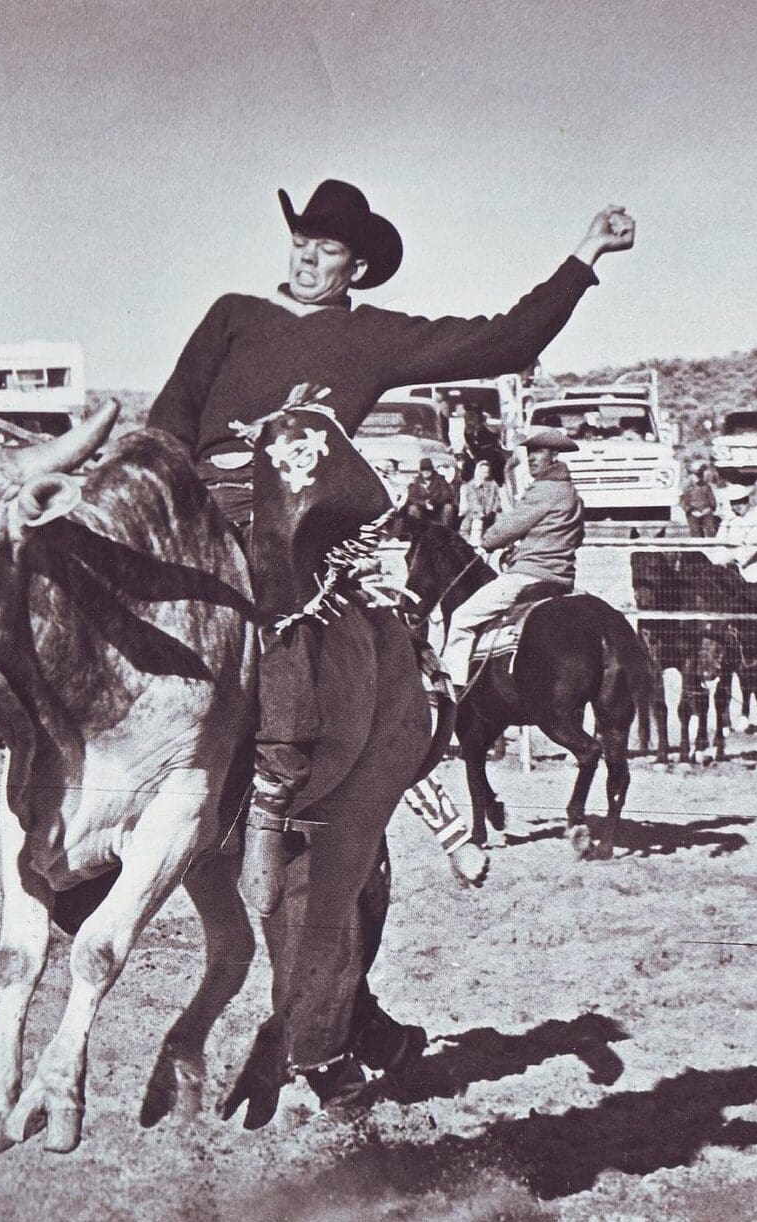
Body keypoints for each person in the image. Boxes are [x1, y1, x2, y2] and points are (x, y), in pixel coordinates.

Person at [147, 178, 632, 849]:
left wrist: (586, 256)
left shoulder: (373, 337)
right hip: (196, 501)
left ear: (360, 268)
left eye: (325, 248)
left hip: (286, 519)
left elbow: (507, 341)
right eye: (299, 242)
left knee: (281, 582)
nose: (306, 258)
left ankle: (277, 779)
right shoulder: (233, 315)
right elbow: (171, 415)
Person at [440, 427, 583, 688]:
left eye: (539, 452)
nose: (532, 458)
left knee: (462, 619)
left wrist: (488, 542)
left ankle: (453, 690)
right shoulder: (571, 492)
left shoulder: (544, 490)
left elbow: (506, 529)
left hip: (529, 576)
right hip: (563, 579)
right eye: (529, 453)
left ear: (553, 456)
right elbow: (574, 536)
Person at [457, 459, 505, 546]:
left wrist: (492, 511)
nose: (484, 475)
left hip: (490, 514)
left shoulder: (493, 485)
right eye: (482, 472)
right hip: (474, 515)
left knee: (501, 520)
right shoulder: (469, 486)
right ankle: (473, 544)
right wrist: (479, 513)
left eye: (487, 472)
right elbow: (472, 502)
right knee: (471, 526)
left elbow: (497, 500)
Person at [402, 457, 458, 528]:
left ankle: (445, 530)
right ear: (420, 471)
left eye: (428, 469)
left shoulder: (440, 480)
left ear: (432, 469)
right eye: (423, 469)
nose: (426, 471)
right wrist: (424, 503)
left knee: (448, 507)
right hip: (422, 510)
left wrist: (434, 502)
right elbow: (412, 497)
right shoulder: (416, 482)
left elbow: (447, 493)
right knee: (412, 508)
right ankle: (417, 531)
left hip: (438, 509)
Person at [679, 459, 719, 537]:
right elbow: (683, 502)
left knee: (710, 529)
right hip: (693, 512)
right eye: (694, 475)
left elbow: (712, 499)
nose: (697, 478)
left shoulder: (706, 487)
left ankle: (712, 543)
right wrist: (690, 510)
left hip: (705, 510)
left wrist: (709, 508)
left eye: (699, 475)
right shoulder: (687, 488)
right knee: (695, 530)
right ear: (690, 476)